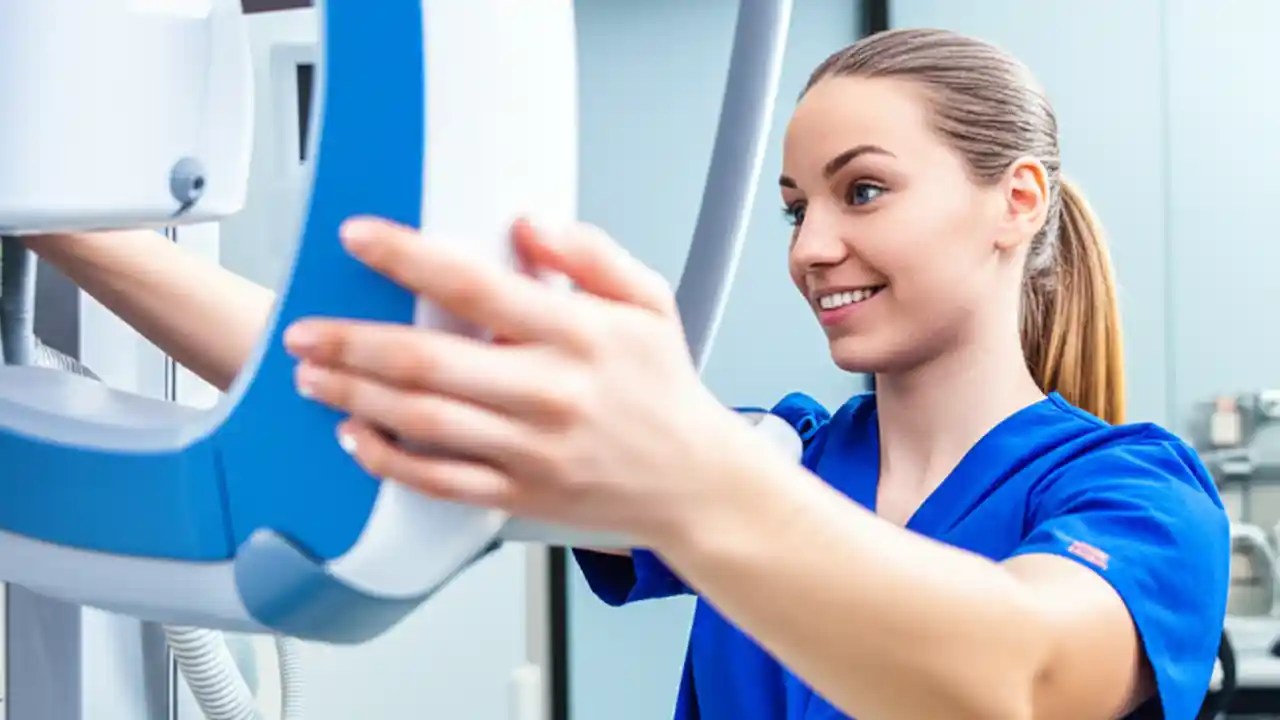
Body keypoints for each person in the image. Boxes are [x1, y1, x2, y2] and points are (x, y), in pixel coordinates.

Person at [27, 28, 1229, 720]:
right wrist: (65, 222)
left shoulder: (1135, 497)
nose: (810, 249)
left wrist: (693, 479)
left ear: (1014, 201)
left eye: (862, 191)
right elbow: (378, 377)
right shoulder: (784, 456)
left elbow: (1017, 675)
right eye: (794, 207)